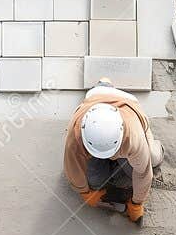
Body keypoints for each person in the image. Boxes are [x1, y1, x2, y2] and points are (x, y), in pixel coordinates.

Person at [62, 79, 163, 223]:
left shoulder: (133, 137)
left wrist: (136, 203)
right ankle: (102, 87)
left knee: (152, 160)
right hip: (96, 97)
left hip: (127, 103)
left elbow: (142, 173)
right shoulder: (75, 137)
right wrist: (85, 192)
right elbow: (73, 169)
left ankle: (153, 145)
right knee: (95, 182)